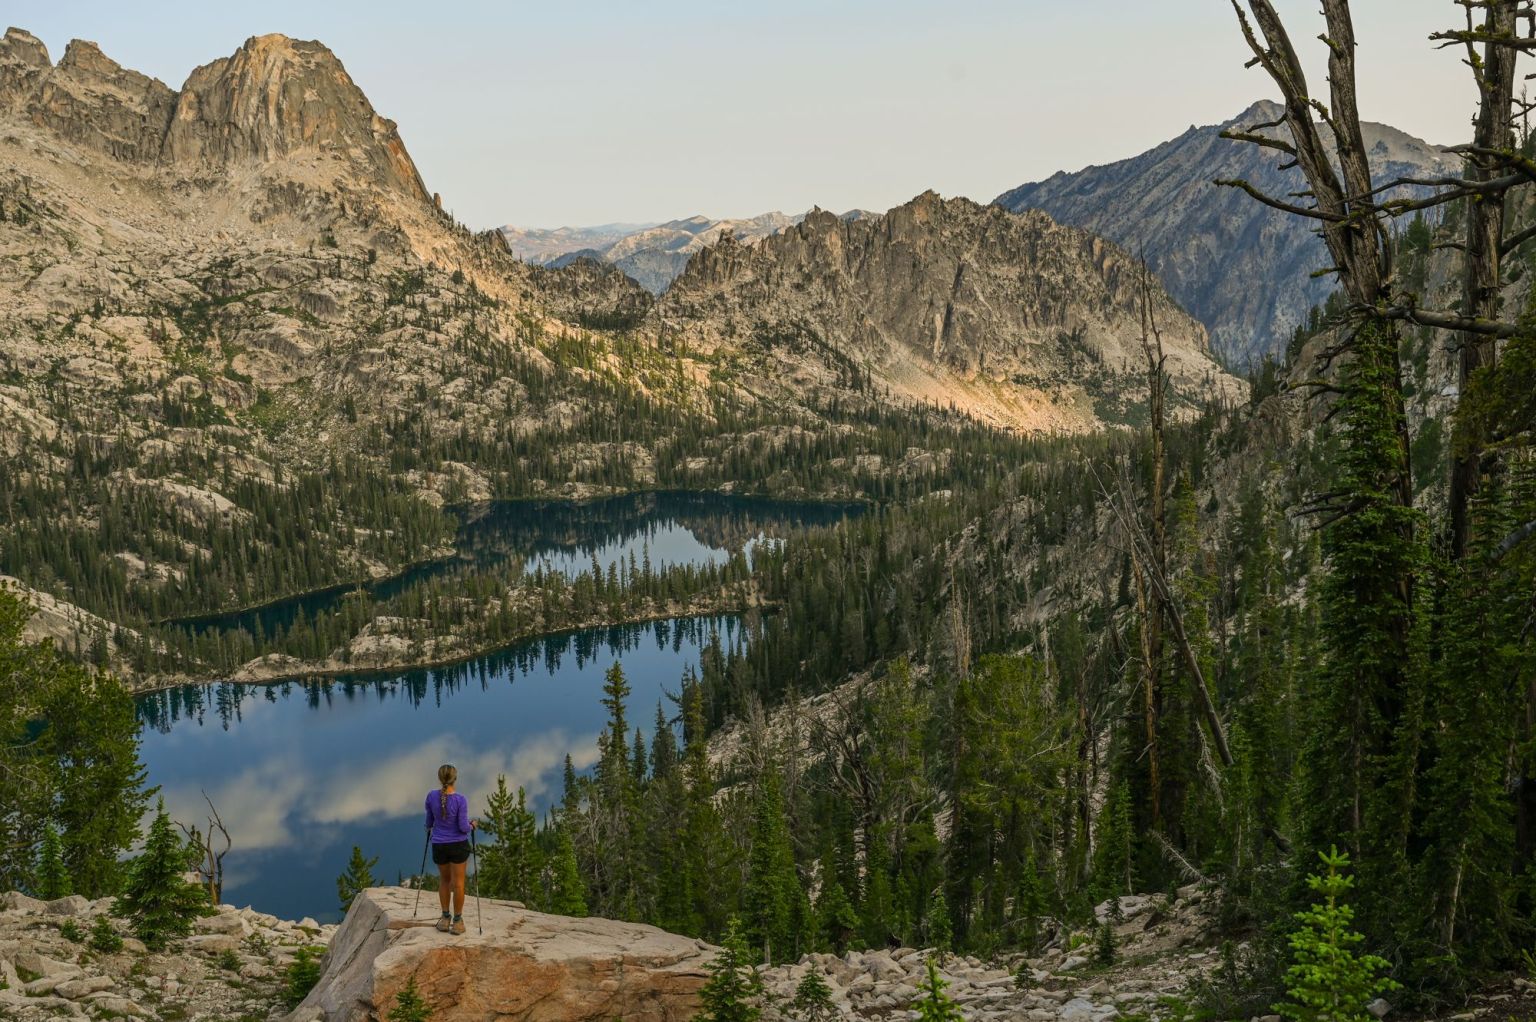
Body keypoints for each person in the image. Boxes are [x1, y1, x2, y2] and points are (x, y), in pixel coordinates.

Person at [424, 763, 476, 934]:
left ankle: (445, 918)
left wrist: (433, 826)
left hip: (439, 845)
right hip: (458, 845)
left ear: (440, 779)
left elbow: (429, 823)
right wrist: (472, 826)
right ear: (455, 778)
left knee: (445, 881)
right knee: (459, 884)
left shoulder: (431, 796)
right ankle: (458, 922)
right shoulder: (460, 800)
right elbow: (462, 827)